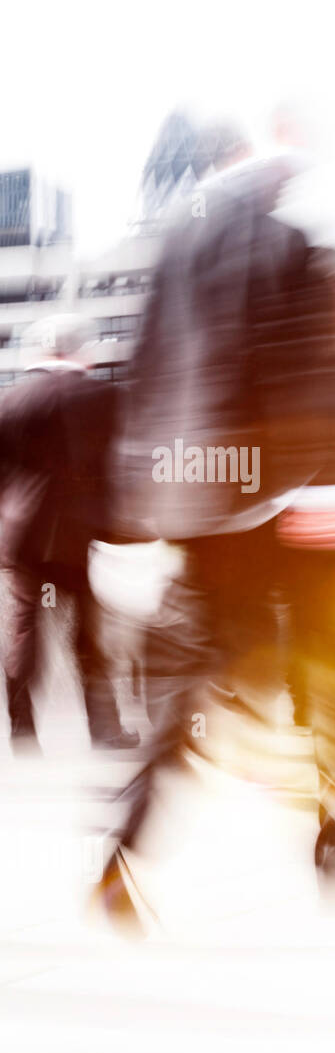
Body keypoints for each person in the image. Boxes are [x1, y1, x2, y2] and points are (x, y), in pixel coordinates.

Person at [90, 123, 335, 934]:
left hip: (196, 505)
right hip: (283, 501)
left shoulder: (174, 251)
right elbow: (311, 372)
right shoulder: (284, 243)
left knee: (197, 676)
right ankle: (332, 841)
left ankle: (127, 849)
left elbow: (146, 378)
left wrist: (142, 502)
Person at [0, 315, 137, 754]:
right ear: (81, 351)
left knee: (26, 631)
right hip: (86, 537)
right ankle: (105, 729)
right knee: (90, 633)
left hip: (24, 537)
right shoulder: (108, 397)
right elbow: (127, 466)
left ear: (40, 353)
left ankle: (22, 729)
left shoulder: (12, 401)